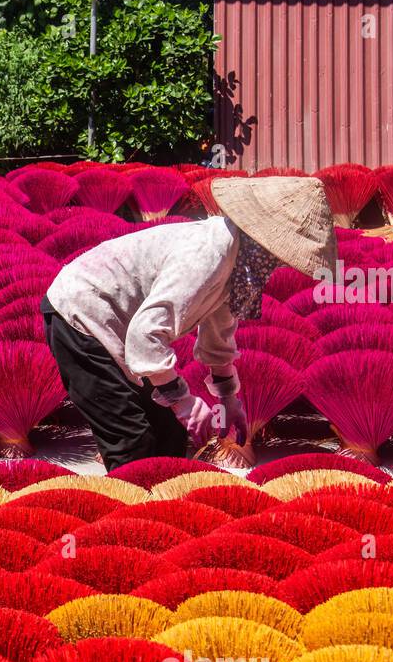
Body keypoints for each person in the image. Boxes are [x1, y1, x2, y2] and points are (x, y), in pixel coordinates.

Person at [41, 175, 337, 470]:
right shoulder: (206, 256)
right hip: (79, 315)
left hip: (118, 327)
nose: (279, 265)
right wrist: (186, 403)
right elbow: (146, 335)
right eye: (280, 256)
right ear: (264, 240)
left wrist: (227, 398)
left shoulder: (237, 259)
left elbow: (218, 332)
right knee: (131, 441)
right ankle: (129, 510)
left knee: (169, 435)